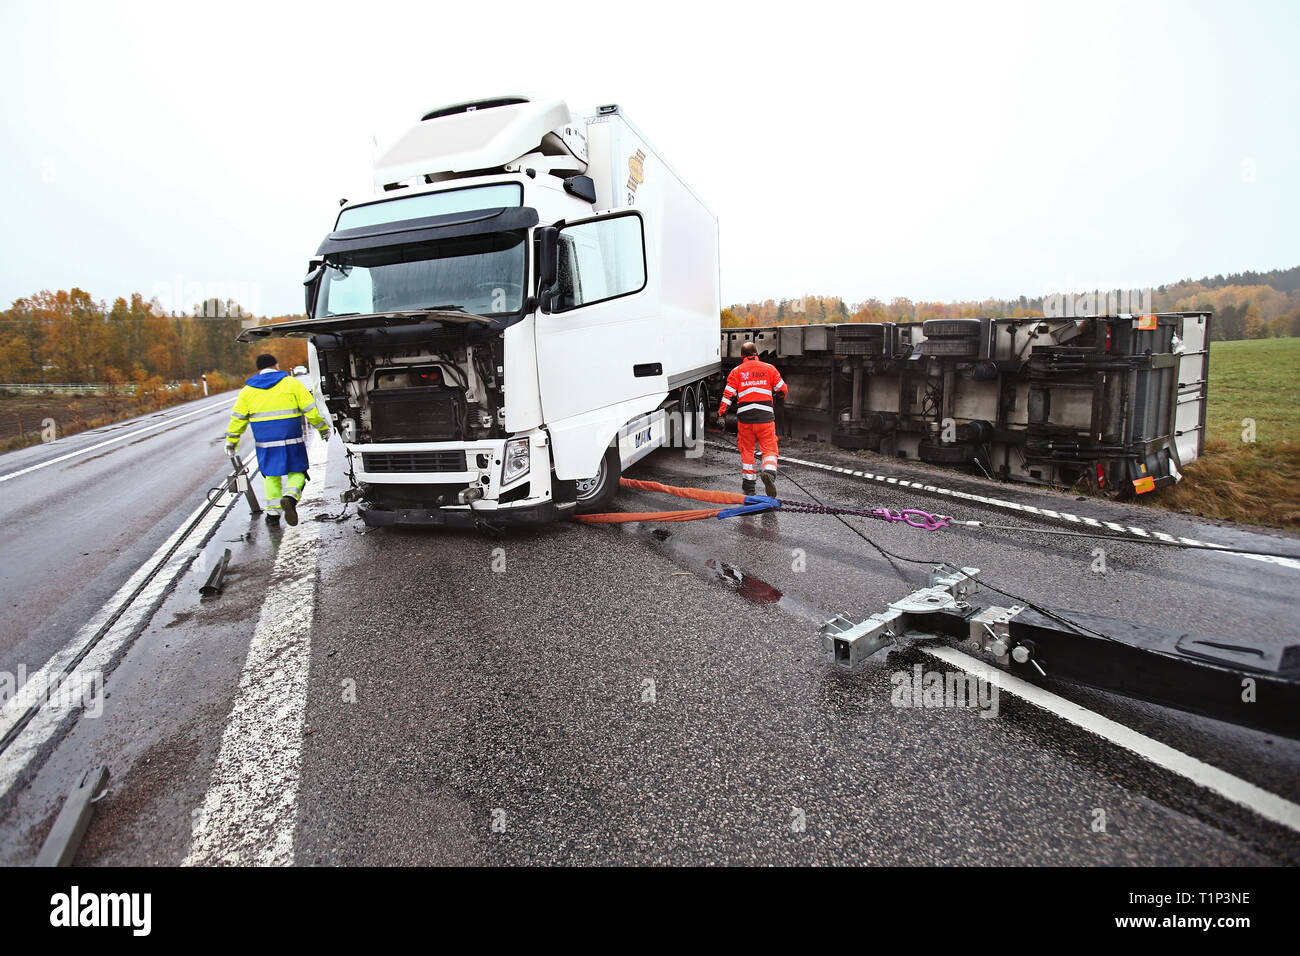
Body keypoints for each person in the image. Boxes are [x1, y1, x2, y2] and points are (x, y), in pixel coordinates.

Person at [225, 354, 329, 526]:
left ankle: (273, 515)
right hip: (291, 439)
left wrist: (231, 441)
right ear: (276, 365)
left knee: (271, 476)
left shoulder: (247, 391)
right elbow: (310, 409)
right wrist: (322, 428)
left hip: (265, 443)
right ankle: (290, 497)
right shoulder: (291, 383)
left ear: (259, 369)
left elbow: (238, 419)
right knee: (297, 471)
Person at [717, 342, 787, 497]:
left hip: (745, 420)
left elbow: (728, 396)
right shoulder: (769, 368)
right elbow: (782, 389)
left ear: (742, 356)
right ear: (756, 354)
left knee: (747, 450)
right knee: (769, 449)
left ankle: (749, 487)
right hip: (765, 419)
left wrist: (721, 414)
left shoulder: (736, 371)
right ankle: (769, 473)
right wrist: (778, 395)